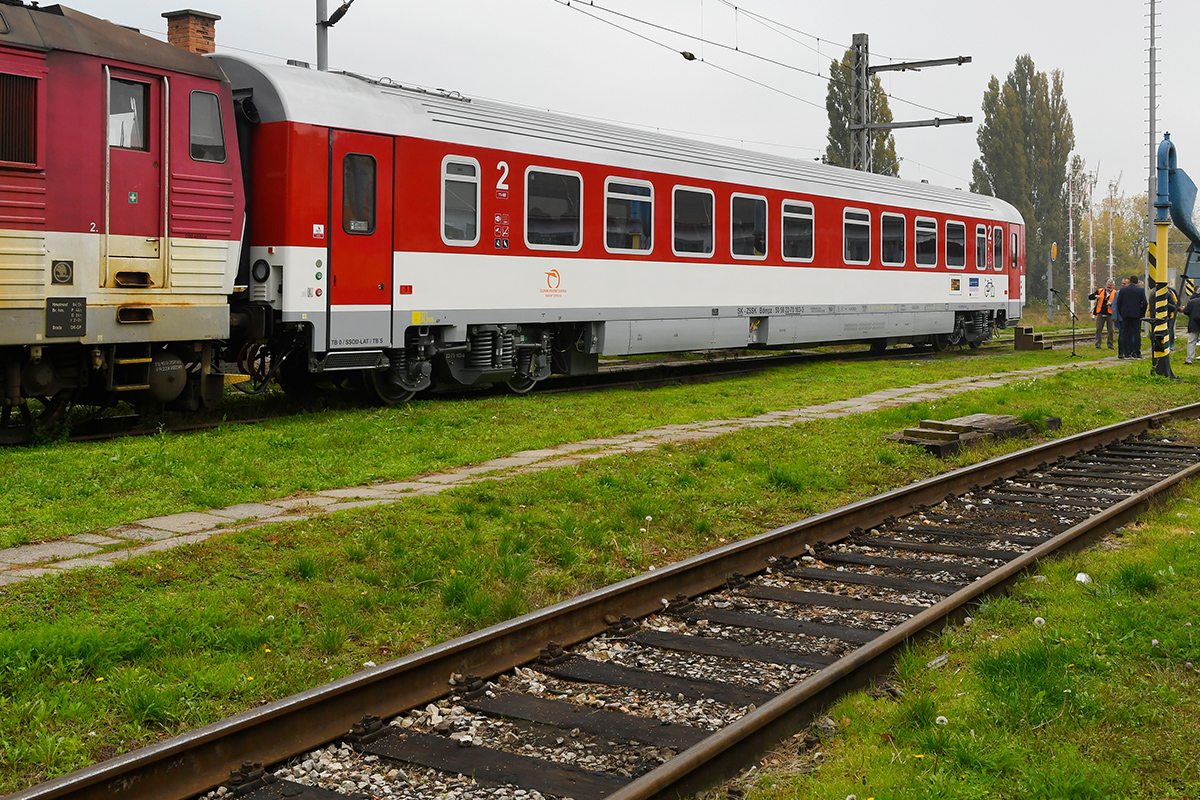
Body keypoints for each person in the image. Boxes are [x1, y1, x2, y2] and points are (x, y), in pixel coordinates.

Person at [1115, 275, 1148, 359]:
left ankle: (1126, 353)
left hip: (1125, 315)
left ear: (1129, 281)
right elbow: (1144, 303)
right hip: (1136, 315)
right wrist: (1142, 313)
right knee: (1137, 334)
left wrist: (1122, 313)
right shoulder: (1140, 290)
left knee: (1125, 333)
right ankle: (1137, 352)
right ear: (1137, 282)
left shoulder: (1123, 290)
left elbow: (1119, 303)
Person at [1089, 279, 1116, 350]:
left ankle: (1110, 345)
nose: (1109, 286)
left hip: (1110, 314)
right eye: (1108, 284)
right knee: (1098, 330)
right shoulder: (1100, 291)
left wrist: (1111, 303)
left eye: (1111, 285)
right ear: (1106, 284)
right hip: (1100, 314)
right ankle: (1097, 345)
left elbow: (1118, 303)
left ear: (1113, 286)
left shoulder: (1115, 293)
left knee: (1111, 330)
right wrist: (1095, 296)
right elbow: (1090, 297)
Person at [1183, 290, 1200, 364]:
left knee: (1191, 342)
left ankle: (1189, 360)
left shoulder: (1192, 301)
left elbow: (1185, 311)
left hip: (1194, 324)